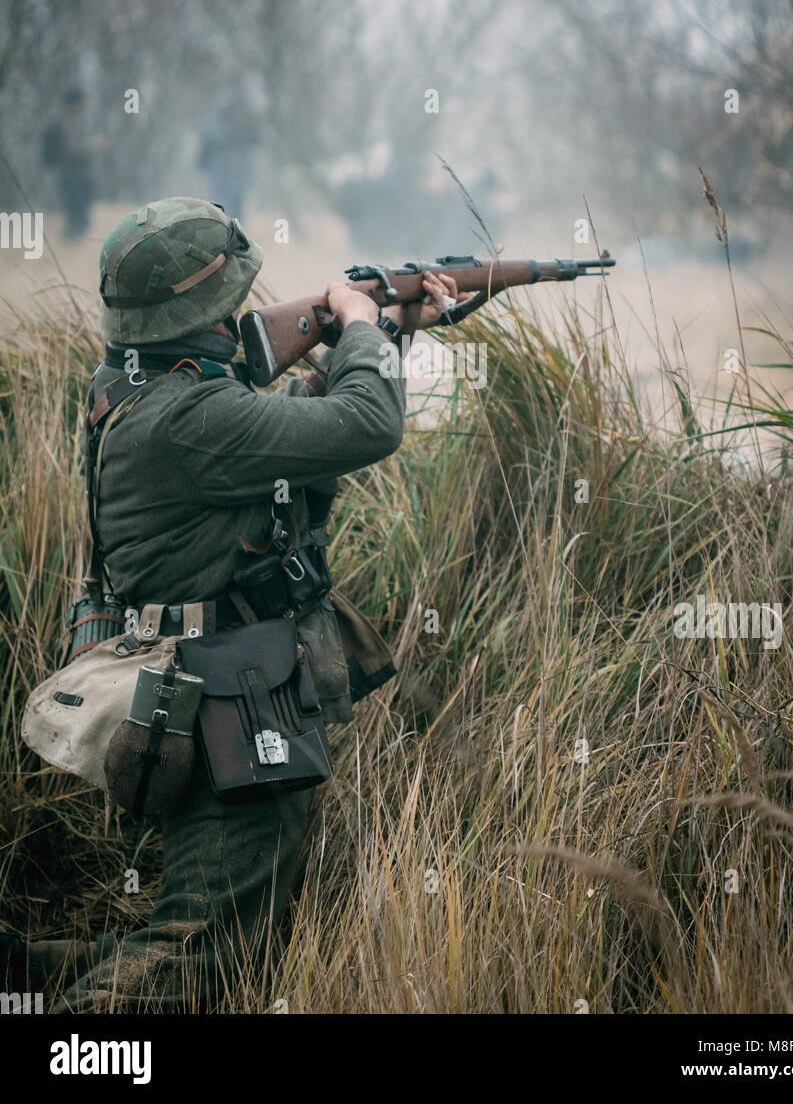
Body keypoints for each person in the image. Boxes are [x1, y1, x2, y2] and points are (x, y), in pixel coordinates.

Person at [14, 195, 463, 1012]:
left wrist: (388, 327)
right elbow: (366, 424)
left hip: (228, 686)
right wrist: (358, 321)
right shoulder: (188, 416)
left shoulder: (139, 384)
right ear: (207, 313)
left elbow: (280, 435)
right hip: (230, 703)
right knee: (199, 962)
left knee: (217, 937)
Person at [40, 87, 104, 238]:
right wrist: (91, 146)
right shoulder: (64, 123)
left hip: (75, 176)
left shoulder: (69, 121)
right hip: (72, 177)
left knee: (78, 216)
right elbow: (70, 151)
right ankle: (69, 246)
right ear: (74, 104)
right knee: (76, 217)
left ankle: (71, 245)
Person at [197, 97, 260, 221]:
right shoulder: (216, 123)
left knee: (233, 210)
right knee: (223, 209)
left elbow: (255, 139)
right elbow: (209, 143)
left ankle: (235, 234)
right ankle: (230, 232)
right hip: (222, 176)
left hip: (235, 177)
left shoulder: (242, 123)